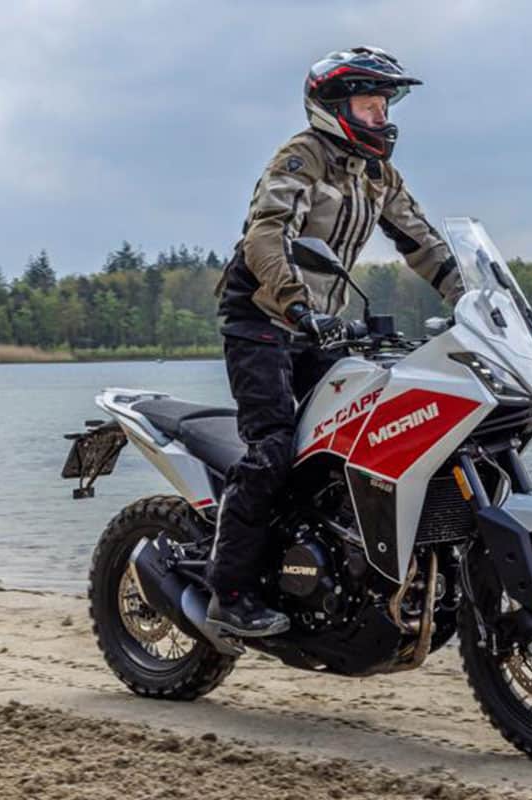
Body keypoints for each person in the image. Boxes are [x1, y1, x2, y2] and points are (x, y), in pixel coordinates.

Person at [208, 46, 461, 636]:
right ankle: (231, 592)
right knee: (271, 448)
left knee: (357, 436)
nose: (381, 116)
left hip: (320, 324)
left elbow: (422, 242)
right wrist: (296, 303)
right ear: (333, 106)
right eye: (370, 105)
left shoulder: (378, 175)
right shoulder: (302, 160)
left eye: (383, 105)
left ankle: (332, 564)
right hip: (263, 316)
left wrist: (473, 297)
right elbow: (266, 237)